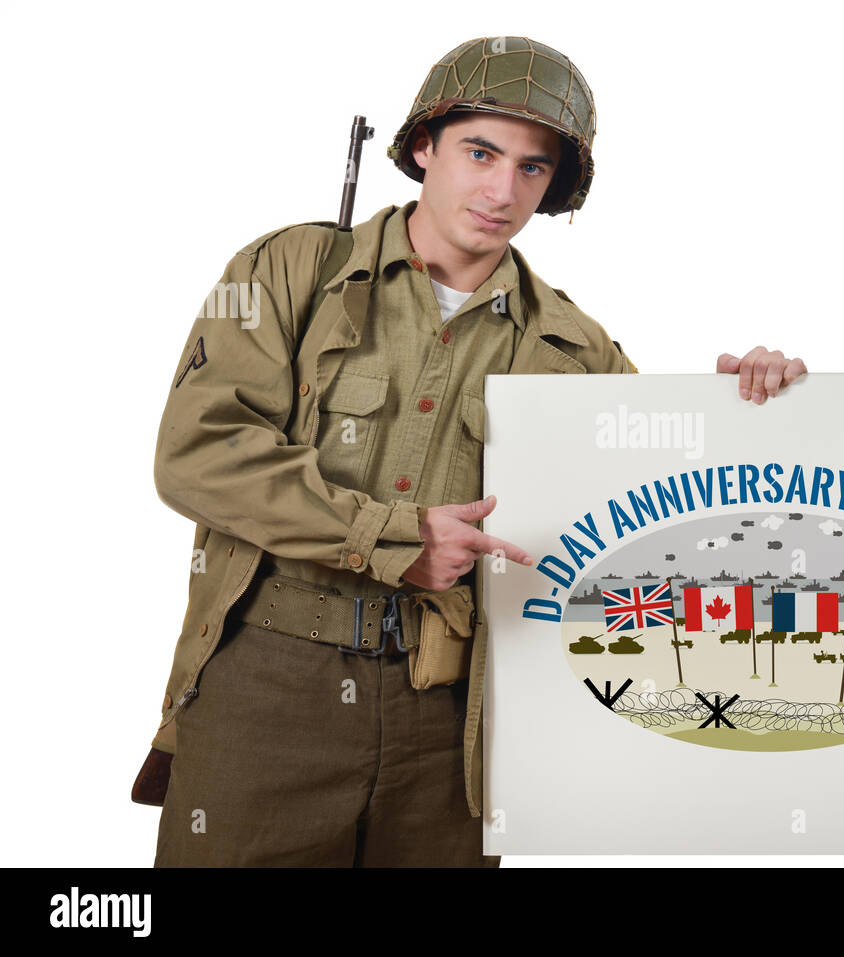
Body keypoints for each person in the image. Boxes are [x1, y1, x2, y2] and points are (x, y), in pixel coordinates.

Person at [135, 36, 809, 867]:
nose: (502, 190)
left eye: (532, 168)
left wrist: (750, 407)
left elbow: (670, 505)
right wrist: (395, 538)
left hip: (454, 720)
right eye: (480, 152)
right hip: (269, 686)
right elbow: (199, 452)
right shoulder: (291, 271)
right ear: (424, 148)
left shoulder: (574, 348)